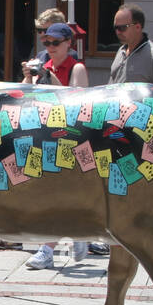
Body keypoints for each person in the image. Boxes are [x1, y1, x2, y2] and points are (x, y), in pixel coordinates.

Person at [21, 22, 94, 269]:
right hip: (45, 136)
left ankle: (47, 249)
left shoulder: (77, 68)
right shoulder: (45, 67)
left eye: (55, 43)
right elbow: (26, 98)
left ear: (67, 44)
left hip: (68, 138)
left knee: (54, 193)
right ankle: (79, 231)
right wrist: (28, 77)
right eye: (47, 43)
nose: (50, 48)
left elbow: (76, 105)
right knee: (55, 193)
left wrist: (50, 79)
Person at [109, 4, 153, 86]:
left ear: (138, 27)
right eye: (116, 28)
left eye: (122, 28)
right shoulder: (121, 51)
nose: (118, 32)